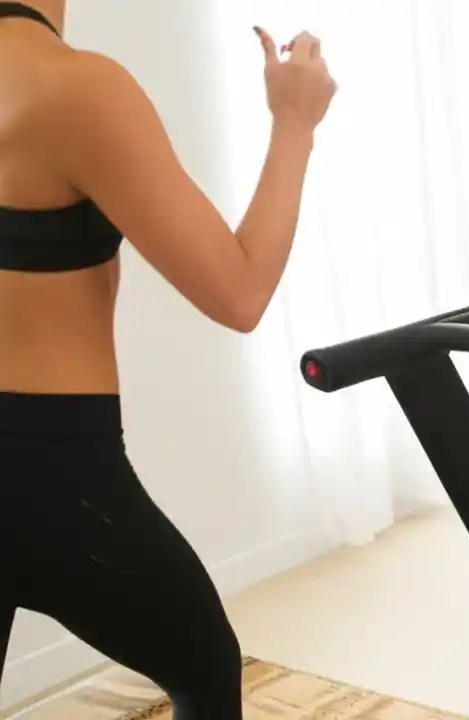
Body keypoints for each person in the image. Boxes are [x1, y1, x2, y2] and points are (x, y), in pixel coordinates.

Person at [0, 1, 336, 717]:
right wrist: (295, 124)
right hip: (54, 479)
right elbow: (239, 293)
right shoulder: (77, 87)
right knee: (205, 675)